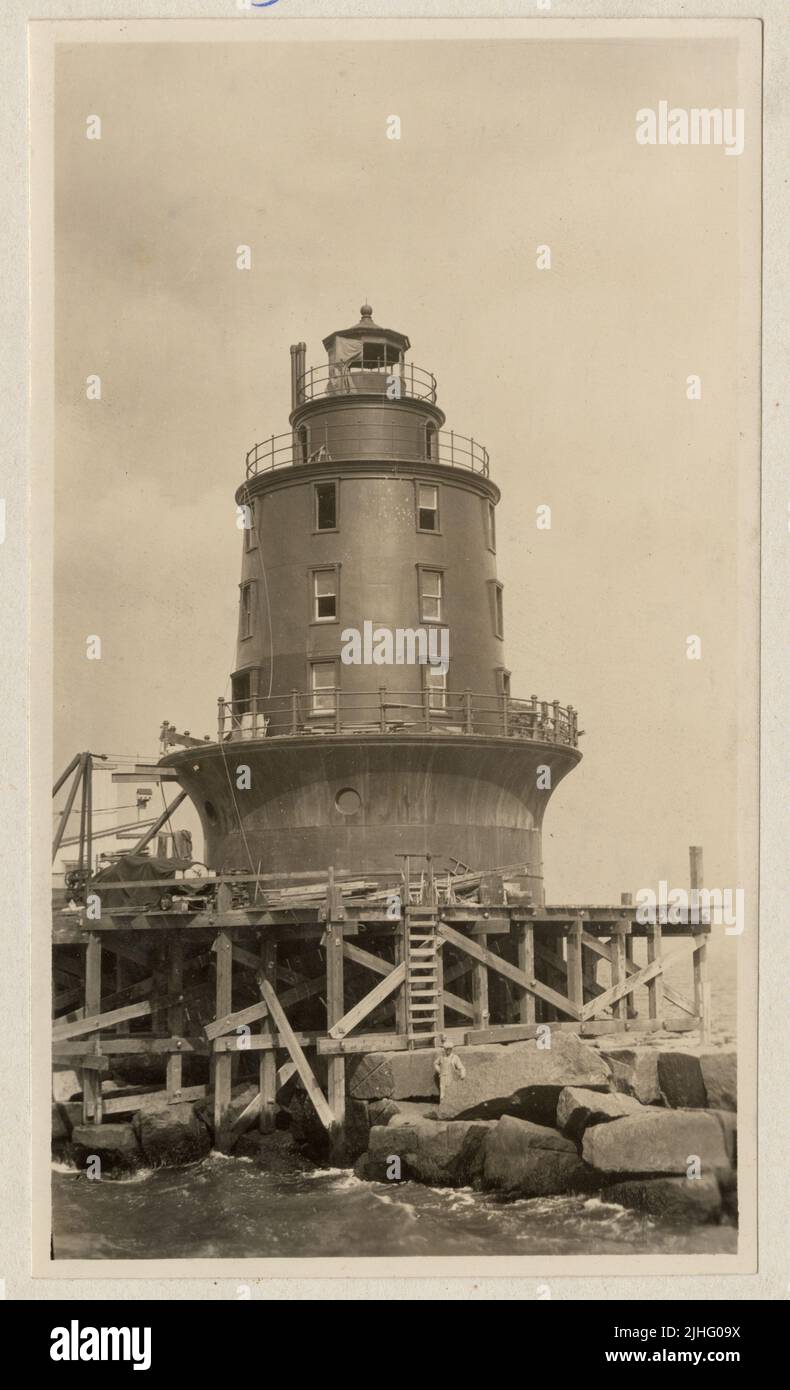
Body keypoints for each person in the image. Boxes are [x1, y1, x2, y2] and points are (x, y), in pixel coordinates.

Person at [434, 1033, 466, 1100]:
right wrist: (439, 1071)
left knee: (452, 1093)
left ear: (451, 1049)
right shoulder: (441, 1057)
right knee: (442, 1094)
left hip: (451, 1077)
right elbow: (435, 1063)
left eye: (449, 1049)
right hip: (443, 1077)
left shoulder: (455, 1057)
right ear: (444, 1049)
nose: (448, 1050)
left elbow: (461, 1067)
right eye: (446, 1049)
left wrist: (463, 1074)